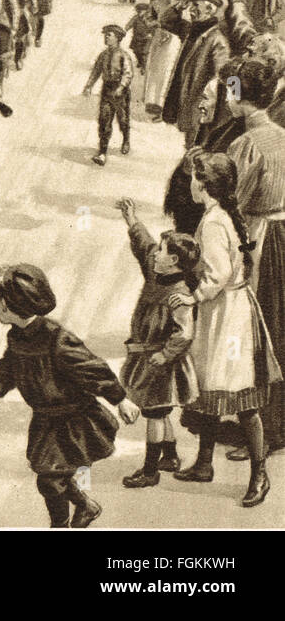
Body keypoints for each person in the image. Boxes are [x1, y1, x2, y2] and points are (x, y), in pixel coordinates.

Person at [0, 264, 141, 527]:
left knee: (49, 479)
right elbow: (9, 366)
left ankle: (61, 525)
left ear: (7, 304)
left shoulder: (56, 338)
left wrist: (121, 399)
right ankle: (86, 506)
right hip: (46, 420)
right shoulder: (16, 336)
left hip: (74, 420)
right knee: (51, 474)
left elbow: (93, 369)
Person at [172, 152, 281, 506]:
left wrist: (194, 296)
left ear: (204, 186)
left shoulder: (214, 222)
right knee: (210, 387)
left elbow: (217, 275)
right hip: (225, 310)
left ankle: (259, 477)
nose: (189, 184)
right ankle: (204, 464)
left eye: (193, 179)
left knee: (239, 394)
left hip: (227, 315)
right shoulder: (219, 217)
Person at [222, 58, 285, 458]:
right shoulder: (281, 133)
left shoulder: (245, 144)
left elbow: (234, 203)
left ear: (239, 96)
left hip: (262, 239)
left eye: (230, 89)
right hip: (283, 233)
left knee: (261, 332)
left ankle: (268, 428)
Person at [114, 198, 200, 487]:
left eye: (162, 251)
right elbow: (145, 245)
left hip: (162, 363)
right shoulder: (156, 270)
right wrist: (131, 219)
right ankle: (171, 456)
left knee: (154, 414)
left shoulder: (179, 293)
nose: (155, 254)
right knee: (160, 411)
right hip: (149, 358)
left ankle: (150, 471)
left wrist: (166, 354)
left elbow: (185, 332)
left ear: (174, 260)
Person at [160, 0, 230, 148]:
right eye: (191, 6)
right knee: (190, 146)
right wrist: (179, 5)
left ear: (210, 9)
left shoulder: (217, 39)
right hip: (187, 101)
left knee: (196, 148)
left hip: (201, 107)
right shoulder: (191, 30)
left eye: (196, 6)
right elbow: (164, 21)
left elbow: (223, 77)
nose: (191, 10)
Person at [83, 24, 133, 166]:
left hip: (120, 91)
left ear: (117, 38)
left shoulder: (123, 55)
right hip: (107, 89)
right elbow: (96, 71)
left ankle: (126, 140)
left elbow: (128, 73)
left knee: (123, 119)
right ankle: (102, 152)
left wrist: (121, 87)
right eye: (105, 35)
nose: (106, 37)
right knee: (104, 121)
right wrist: (88, 86)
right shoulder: (103, 55)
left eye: (109, 35)